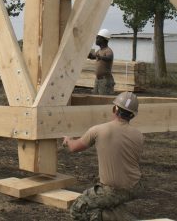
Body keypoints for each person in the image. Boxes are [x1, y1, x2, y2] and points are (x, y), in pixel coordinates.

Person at [62, 92, 144, 221]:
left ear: (115, 109)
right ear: (132, 115)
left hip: (113, 189)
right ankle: (116, 209)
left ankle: (121, 218)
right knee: (108, 201)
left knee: (77, 210)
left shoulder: (99, 130)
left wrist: (68, 140)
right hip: (135, 187)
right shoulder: (139, 135)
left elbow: (74, 147)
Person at [88, 28, 115, 95]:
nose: (96, 40)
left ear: (103, 39)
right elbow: (92, 57)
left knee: (103, 99)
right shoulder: (99, 50)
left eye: (98, 38)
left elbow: (109, 57)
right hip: (98, 80)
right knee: (95, 99)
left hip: (105, 81)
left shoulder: (108, 50)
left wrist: (101, 57)